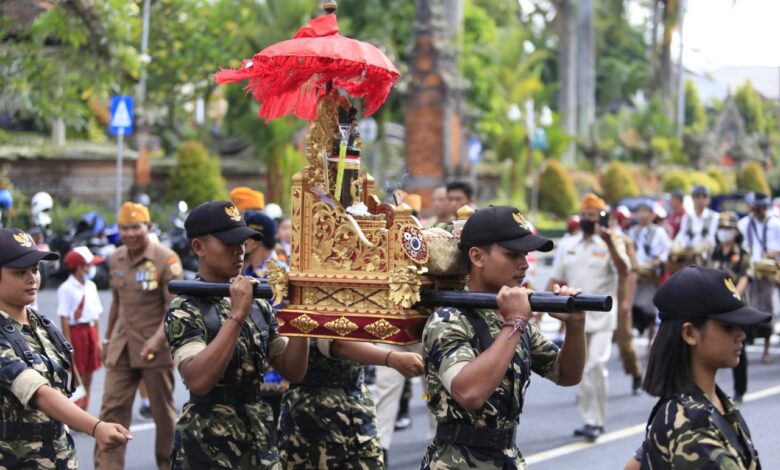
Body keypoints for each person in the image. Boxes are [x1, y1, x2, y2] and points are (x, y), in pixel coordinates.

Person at [421, 205, 587, 468]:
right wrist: (516, 322)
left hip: (507, 457)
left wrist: (576, 327)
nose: (523, 264)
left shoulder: (509, 317)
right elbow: (470, 392)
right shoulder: (450, 319)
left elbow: (566, 374)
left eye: (525, 254)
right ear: (477, 256)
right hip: (457, 461)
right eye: (511, 254)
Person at [164, 201, 310, 469]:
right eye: (228, 243)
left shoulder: (258, 303)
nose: (239, 251)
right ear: (199, 247)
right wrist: (236, 317)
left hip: (259, 441)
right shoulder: (186, 307)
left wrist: (302, 320)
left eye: (242, 242)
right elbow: (198, 380)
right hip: (208, 447)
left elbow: (293, 370)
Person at [0, 227, 131, 468]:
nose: (32, 278)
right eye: (20, 272)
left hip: (61, 457)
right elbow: (39, 392)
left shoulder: (40, 322)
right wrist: (96, 427)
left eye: (35, 270)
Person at [625, 266, 768, 469]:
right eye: (728, 326)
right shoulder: (692, 428)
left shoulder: (706, 401)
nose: (741, 334)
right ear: (690, 333)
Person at [96, 202, 183, 470]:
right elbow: (116, 303)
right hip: (122, 347)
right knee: (111, 412)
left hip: (154, 348)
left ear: (147, 226)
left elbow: (174, 307)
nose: (130, 233)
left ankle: (166, 464)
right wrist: (108, 338)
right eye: (124, 228)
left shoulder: (165, 259)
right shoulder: (116, 258)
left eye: (135, 227)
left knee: (163, 414)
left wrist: (158, 340)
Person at [548, 193, 629, 441]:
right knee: (582, 368)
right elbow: (557, 276)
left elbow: (624, 269)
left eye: (591, 216)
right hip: (577, 318)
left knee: (596, 366)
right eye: (584, 215)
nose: (586, 219)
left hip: (602, 317)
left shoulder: (612, 242)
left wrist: (611, 243)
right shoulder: (569, 243)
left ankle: (598, 419)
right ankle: (588, 420)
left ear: (601, 217)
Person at [277, 339, 422, 469]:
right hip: (317, 415)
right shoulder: (313, 309)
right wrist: (392, 358)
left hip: (356, 403)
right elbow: (339, 344)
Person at [708, 212, 751, 402]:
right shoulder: (712, 251)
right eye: (721, 228)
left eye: (728, 228)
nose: (724, 232)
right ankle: (709, 390)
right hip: (715, 304)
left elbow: (745, 277)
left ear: (735, 231)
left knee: (737, 344)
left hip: (735, 304)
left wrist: (734, 296)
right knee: (710, 346)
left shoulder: (742, 253)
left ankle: (740, 389)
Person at [57, 246, 104, 410]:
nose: (92, 268)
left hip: (90, 331)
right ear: (79, 267)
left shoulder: (91, 286)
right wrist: (68, 344)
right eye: (89, 264)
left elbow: (96, 314)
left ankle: (85, 407)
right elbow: (63, 317)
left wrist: (97, 339)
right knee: (78, 374)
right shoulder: (66, 288)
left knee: (89, 373)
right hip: (76, 333)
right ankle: (75, 410)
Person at [737, 192, 780, 364]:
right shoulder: (745, 224)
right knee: (748, 307)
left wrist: (774, 253)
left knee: (767, 309)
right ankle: (745, 346)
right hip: (751, 271)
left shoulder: (775, 223)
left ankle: (766, 349)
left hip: (769, 271)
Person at [628, 202, 672, 356]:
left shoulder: (659, 232)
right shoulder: (632, 232)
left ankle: (650, 342)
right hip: (635, 272)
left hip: (650, 273)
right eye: (640, 211)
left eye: (646, 211)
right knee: (633, 306)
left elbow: (666, 251)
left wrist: (658, 261)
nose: (643, 214)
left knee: (651, 309)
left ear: (652, 215)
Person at [674, 185, 718, 262]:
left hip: (706, 256)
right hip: (687, 254)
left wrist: (699, 249)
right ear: (693, 199)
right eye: (698, 197)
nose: (701, 200)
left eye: (704, 196)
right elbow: (681, 236)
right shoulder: (687, 217)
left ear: (708, 199)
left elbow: (713, 240)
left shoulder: (714, 217)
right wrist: (677, 245)